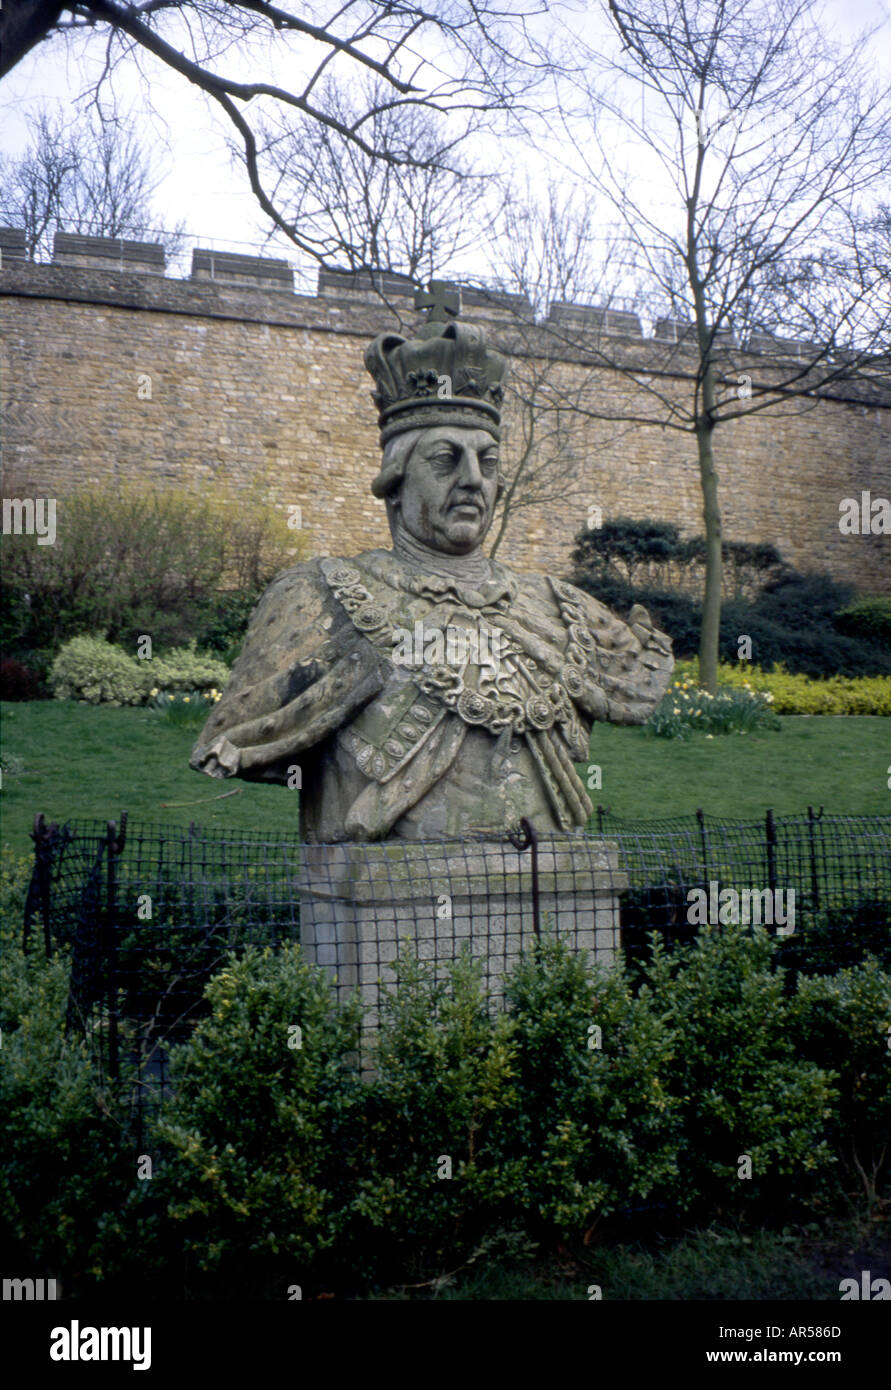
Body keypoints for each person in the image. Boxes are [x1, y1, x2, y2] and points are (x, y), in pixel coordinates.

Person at [190, 286, 674, 840]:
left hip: (555, 891)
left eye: (487, 461)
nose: (473, 477)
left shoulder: (562, 607)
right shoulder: (319, 596)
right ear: (394, 482)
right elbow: (246, 729)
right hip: (382, 901)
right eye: (446, 458)